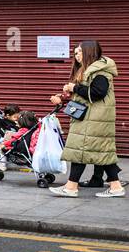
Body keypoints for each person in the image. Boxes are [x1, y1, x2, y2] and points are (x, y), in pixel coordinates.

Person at [49, 41, 124, 198]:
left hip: (95, 119)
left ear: (89, 53)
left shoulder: (100, 72)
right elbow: (83, 95)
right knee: (101, 152)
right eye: (75, 53)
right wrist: (64, 97)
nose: (76, 56)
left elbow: (98, 93)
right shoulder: (88, 70)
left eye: (79, 52)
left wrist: (74, 88)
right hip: (90, 118)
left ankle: (71, 187)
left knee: (81, 150)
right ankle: (115, 187)